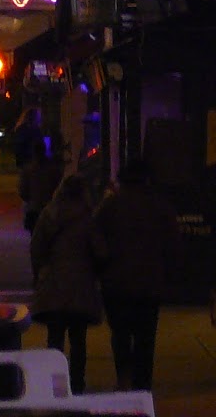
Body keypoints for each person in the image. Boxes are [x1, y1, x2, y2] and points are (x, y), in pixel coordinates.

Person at [95, 158, 181, 390]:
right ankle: (143, 385)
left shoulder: (110, 206)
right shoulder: (160, 207)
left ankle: (124, 378)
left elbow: (95, 240)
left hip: (116, 283)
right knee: (145, 338)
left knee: (120, 335)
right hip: (149, 283)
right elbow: (173, 245)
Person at [30, 174, 107, 393]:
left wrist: (40, 274)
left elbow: (36, 248)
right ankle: (77, 383)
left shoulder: (48, 214)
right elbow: (100, 251)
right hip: (80, 286)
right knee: (78, 339)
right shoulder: (87, 218)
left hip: (53, 284)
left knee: (54, 337)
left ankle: (53, 382)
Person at [19, 141, 64, 233]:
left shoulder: (28, 170)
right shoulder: (53, 169)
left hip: (34, 209)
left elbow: (23, 192)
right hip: (50, 208)